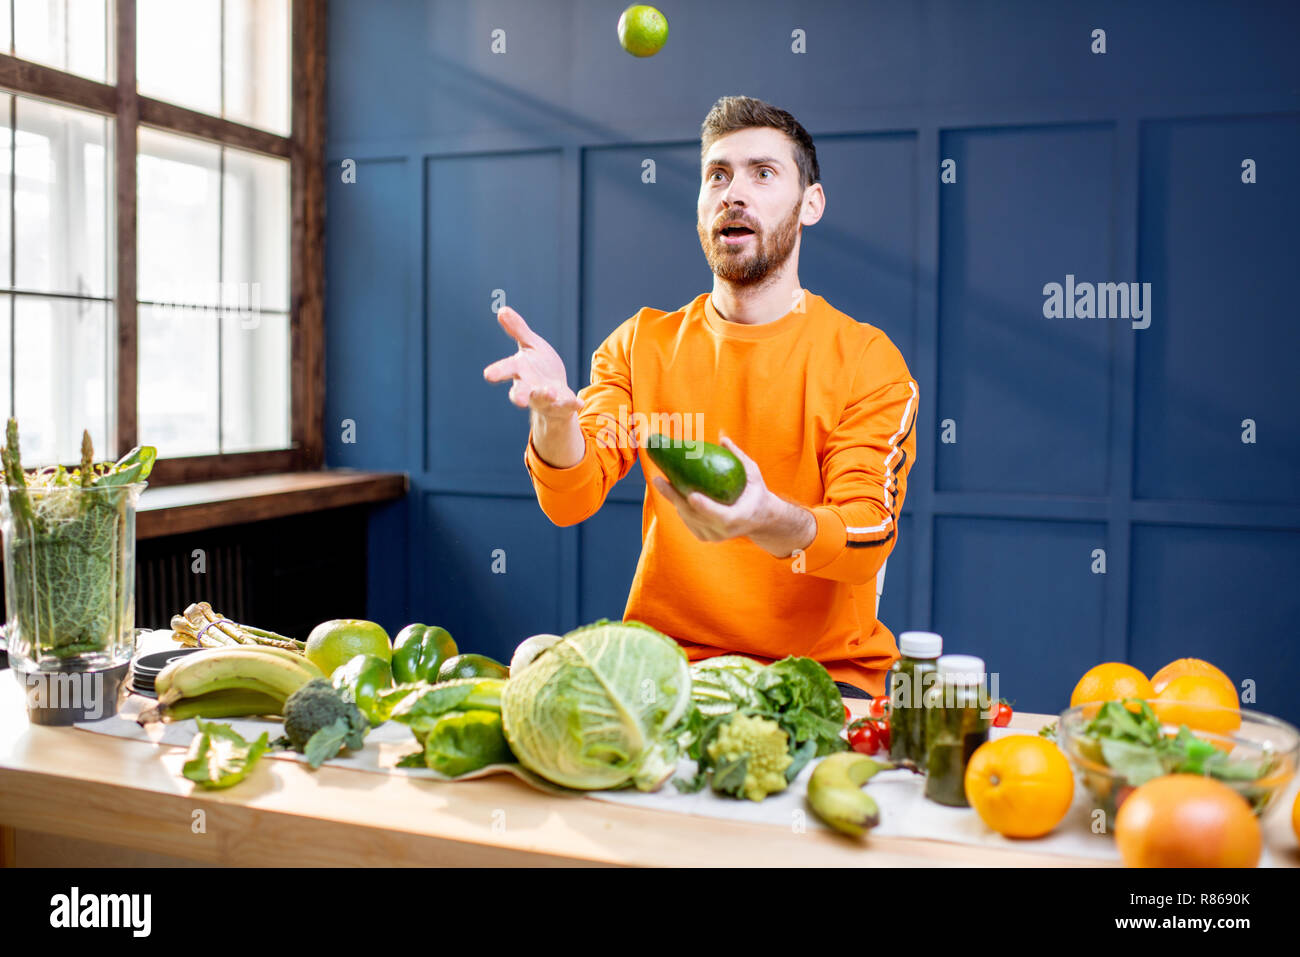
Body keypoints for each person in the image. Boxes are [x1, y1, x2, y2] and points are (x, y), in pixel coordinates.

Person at [483, 95, 917, 698]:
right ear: (700, 208)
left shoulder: (867, 360)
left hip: (823, 681)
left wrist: (768, 519)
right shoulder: (639, 344)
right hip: (668, 673)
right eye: (718, 175)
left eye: (763, 174)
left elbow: (866, 538)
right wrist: (556, 421)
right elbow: (570, 502)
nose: (733, 193)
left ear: (810, 204)